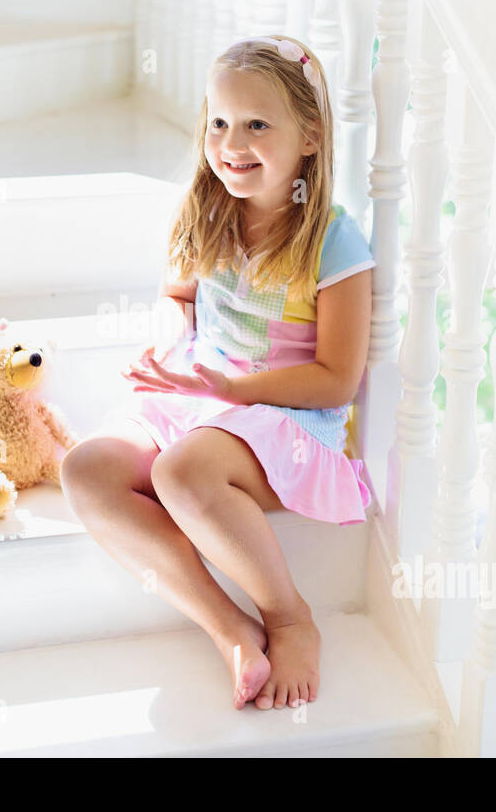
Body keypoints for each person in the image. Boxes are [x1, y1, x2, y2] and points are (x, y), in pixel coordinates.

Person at [60, 35, 375, 711]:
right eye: (220, 122)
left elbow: (336, 379)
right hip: (206, 396)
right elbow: (179, 299)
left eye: (258, 124)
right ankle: (227, 626)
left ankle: (290, 617)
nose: (232, 141)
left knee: (182, 471)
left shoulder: (332, 243)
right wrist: (171, 349)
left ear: (311, 137)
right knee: (85, 468)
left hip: (286, 418)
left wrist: (237, 390)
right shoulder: (206, 211)